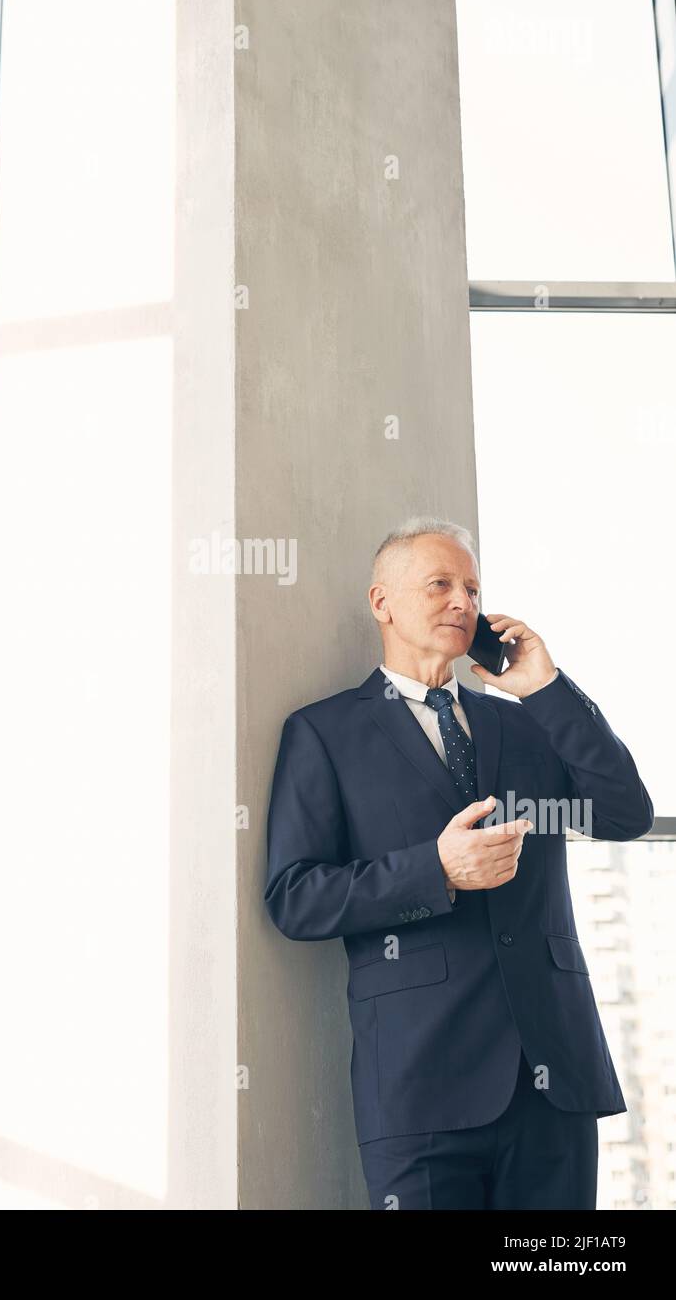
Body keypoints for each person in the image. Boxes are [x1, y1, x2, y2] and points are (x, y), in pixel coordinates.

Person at [264, 515, 654, 1209]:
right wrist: (435, 870)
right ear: (381, 601)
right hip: (421, 1091)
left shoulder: (527, 723)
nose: (462, 603)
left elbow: (625, 813)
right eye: (440, 584)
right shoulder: (325, 733)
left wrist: (545, 687)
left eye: (472, 589)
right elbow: (296, 896)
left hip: (553, 1080)